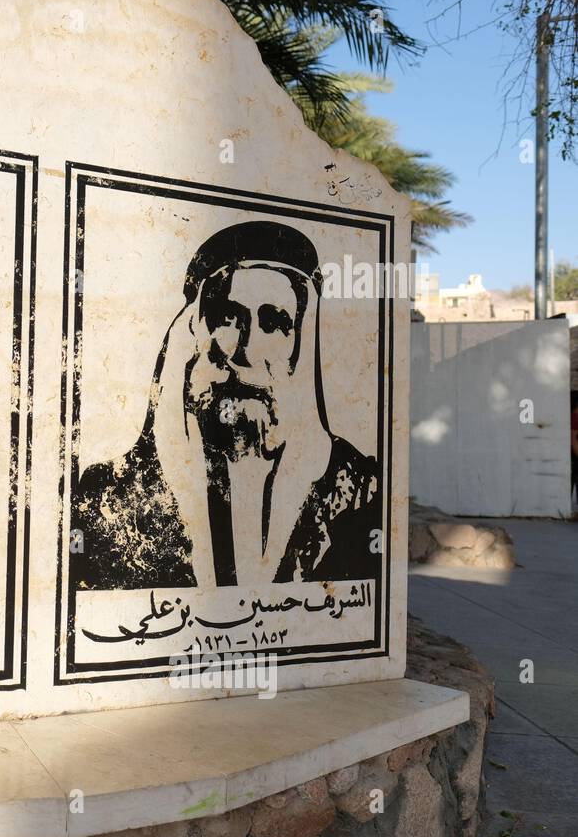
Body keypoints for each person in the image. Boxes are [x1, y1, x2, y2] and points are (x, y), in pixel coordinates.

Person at [72, 220, 380, 590]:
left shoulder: (359, 490)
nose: (247, 352)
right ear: (195, 331)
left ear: (300, 343)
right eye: (228, 319)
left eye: (273, 323)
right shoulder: (110, 495)